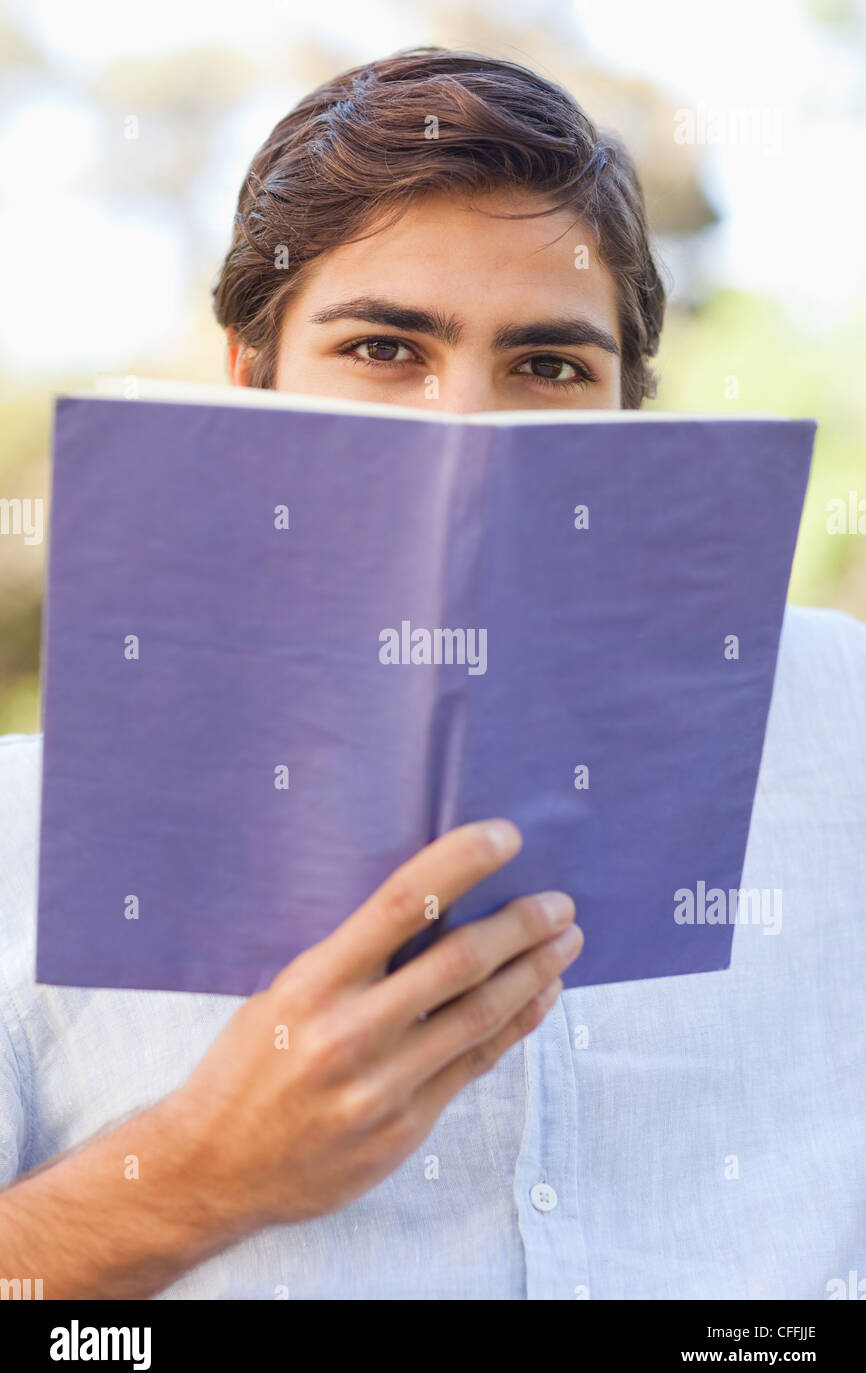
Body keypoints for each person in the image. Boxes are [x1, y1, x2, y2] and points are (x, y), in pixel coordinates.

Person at [1, 47, 864, 1302]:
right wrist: (205, 1172)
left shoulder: (840, 729)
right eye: (383, 347)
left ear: (628, 411)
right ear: (253, 379)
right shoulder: (18, 828)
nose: (461, 426)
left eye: (549, 366)